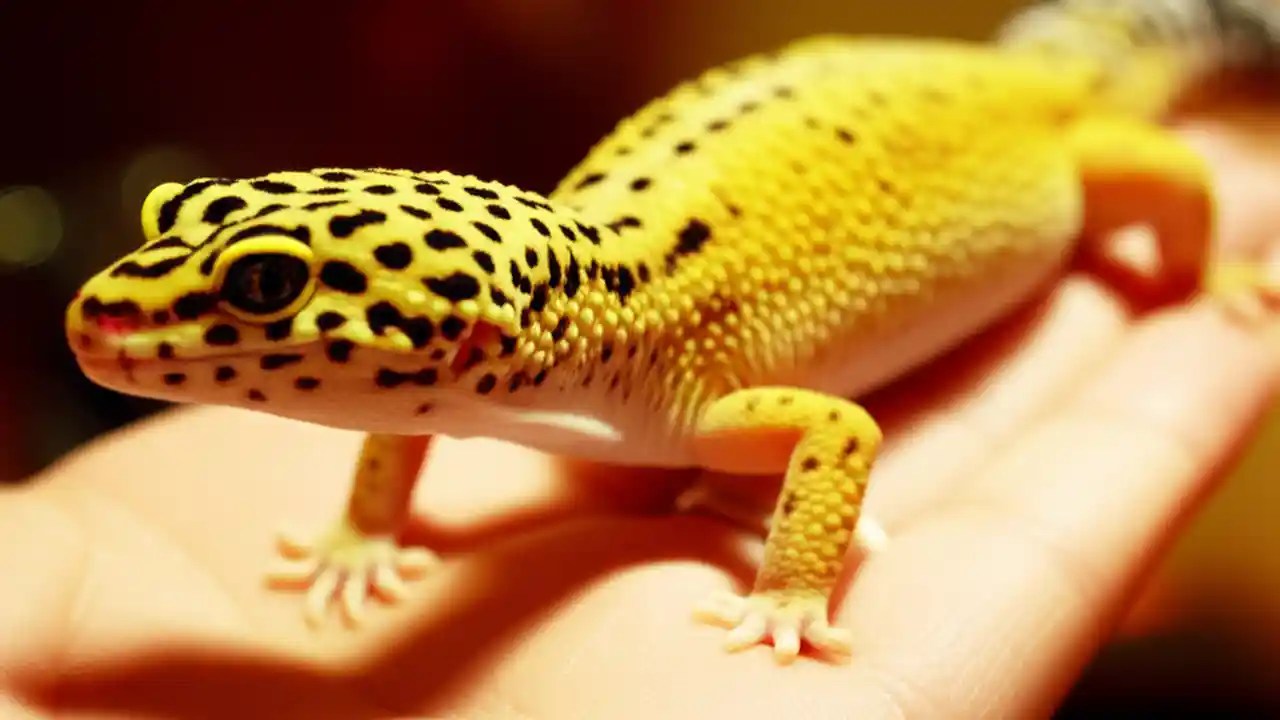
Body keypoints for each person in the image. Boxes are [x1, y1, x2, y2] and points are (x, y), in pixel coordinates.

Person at [3, 106, 1279, 719]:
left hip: (1009, 129)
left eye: (261, 293)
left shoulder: (679, 383)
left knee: (1166, 172)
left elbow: (833, 434)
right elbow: (409, 394)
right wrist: (368, 526)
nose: (120, 314)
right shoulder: (466, 358)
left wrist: (792, 586)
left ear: (474, 332)